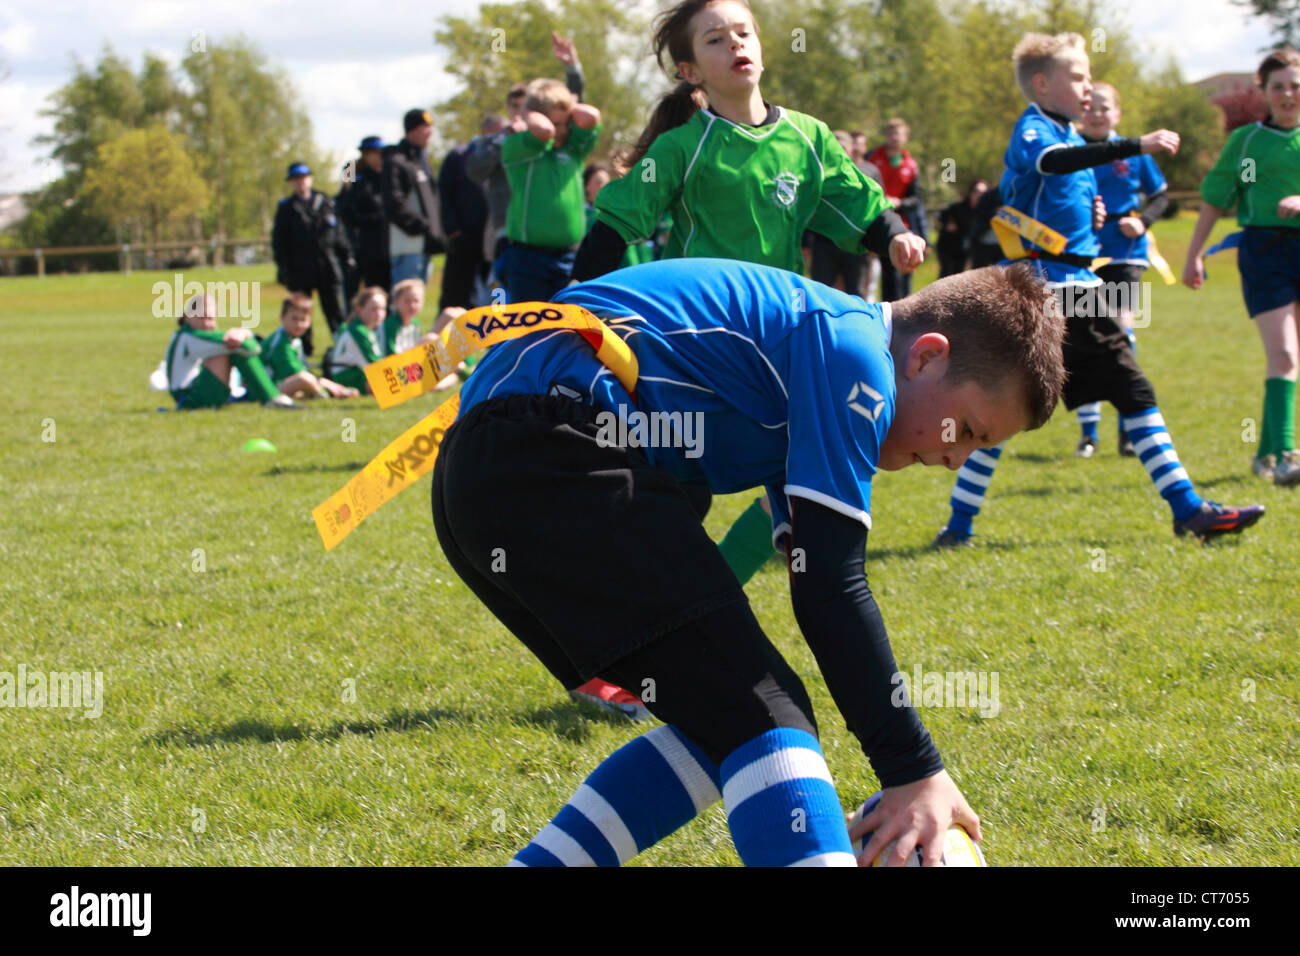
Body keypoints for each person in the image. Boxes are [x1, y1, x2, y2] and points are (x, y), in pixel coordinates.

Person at [432, 257, 1066, 866]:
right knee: (765, 708)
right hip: (548, 449)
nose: (958, 459)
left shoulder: (820, 351)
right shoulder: (854, 356)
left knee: (720, 716)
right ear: (927, 356)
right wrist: (913, 770)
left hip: (487, 474)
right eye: (969, 430)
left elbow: (812, 576)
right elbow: (831, 589)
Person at [932, 31, 1264, 548]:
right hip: (1050, 291)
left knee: (1010, 408)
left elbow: (1056, 193)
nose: (1088, 86)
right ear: (1041, 83)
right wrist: (1137, 143)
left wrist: (1091, 218)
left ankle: (957, 527)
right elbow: (1052, 165)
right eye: (1078, 76)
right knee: (1129, 389)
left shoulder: (1067, 135)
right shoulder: (1037, 130)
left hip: (1065, 285)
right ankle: (1189, 511)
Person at [1185, 48, 1300, 487]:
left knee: (1292, 360)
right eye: (1278, 87)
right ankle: (1288, 455)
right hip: (1264, 251)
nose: (1288, 94)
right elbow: (1217, 197)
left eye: (1295, 85)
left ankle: (1266, 452)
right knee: (1284, 353)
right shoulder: (1247, 143)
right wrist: (1194, 252)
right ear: (1264, 92)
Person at [1071, 82, 1169, 460]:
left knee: (1121, 331)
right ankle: (1088, 434)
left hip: (1126, 252)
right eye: (1090, 107)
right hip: (1080, 252)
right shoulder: (1071, 151)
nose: (1097, 113)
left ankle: (1130, 430)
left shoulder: (1134, 151)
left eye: (1104, 107)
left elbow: (1160, 194)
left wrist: (1143, 221)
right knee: (1083, 337)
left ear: (1118, 113)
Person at [465, 33, 587, 278]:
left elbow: (570, 110)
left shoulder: (557, 140)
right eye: (514, 105)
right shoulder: (503, 140)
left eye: (524, 105)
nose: (520, 111)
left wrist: (571, 69)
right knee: (502, 302)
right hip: (509, 233)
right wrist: (507, 138)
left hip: (556, 243)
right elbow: (474, 171)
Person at [495, 79, 602, 302]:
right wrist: (530, 112)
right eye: (556, 124)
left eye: (566, 123)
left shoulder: (574, 149)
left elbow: (591, 116)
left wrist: (568, 106)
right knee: (532, 332)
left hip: (570, 256)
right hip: (527, 258)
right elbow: (543, 131)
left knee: (569, 329)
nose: (562, 131)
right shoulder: (518, 147)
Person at [163, 292, 299, 410]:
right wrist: (243, 333)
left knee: (230, 346)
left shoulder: (184, 334)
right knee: (232, 348)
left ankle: (270, 396)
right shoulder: (190, 337)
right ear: (188, 316)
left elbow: (252, 346)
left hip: (190, 393)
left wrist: (242, 332)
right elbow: (251, 348)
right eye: (200, 317)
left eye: (210, 318)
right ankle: (271, 398)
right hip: (188, 399)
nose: (205, 323)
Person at [271, 162, 353, 357]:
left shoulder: (325, 202)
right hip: (300, 268)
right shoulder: (287, 208)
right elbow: (279, 241)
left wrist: (347, 254)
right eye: (296, 180)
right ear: (292, 183)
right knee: (301, 310)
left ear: (310, 179)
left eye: (303, 178)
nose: (301, 183)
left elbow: (338, 232)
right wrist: (283, 268)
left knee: (334, 310)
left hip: (326, 265)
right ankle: (303, 349)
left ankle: (343, 346)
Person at [866, 118, 927, 300]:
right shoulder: (872, 158)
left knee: (904, 273)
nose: (894, 137)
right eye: (890, 133)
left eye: (898, 133)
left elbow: (916, 199)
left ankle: (905, 314)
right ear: (885, 136)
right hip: (875, 222)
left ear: (905, 137)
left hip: (902, 225)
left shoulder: (911, 164)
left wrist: (899, 203)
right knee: (880, 277)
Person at [384, 109, 445, 288]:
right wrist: (423, 226)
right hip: (408, 247)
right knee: (404, 305)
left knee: (414, 306)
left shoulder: (420, 161)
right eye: (425, 127)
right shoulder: (397, 161)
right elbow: (394, 203)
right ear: (412, 130)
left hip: (423, 247)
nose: (430, 131)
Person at [438, 121, 493, 310]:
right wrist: (452, 229)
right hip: (463, 236)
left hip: (489, 238)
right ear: (487, 131)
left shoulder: (502, 154)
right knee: (456, 291)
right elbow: (444, 193)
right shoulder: (458, 155)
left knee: (493, 292)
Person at [263, 294, 359, 399]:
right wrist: (320, 383)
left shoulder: (294, 340)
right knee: (305, 379)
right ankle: (326, 393)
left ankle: (334, 390)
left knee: (313, 379)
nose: (298, 324)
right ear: (282, 318)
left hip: (281, 383)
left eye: (303, 320)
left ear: (309, 322)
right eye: (294, 319)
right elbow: (292, 371)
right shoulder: (280, 342)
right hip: (267, 388)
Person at [337, 136, 389, 302]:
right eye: (373, 153)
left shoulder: (389, 176)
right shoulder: (355, 175)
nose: (378, 157)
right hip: (361, 244)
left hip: (385, 246)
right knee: (357, 292)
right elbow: (344, 209)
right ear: (365, 155)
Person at [326, 287, 386, 394]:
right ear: (359, 309)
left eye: (382, 309)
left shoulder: (367, 328)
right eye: (373, 309)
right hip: (347, 376)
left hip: (357, 372)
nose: (378, 313)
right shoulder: (359, 331)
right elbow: (373, 363)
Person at [936, 179, 989, 278]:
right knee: (946, 274)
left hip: (963, 248)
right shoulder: (959, 206)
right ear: (971, 192)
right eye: (976, 191)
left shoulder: (982, 211)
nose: (979, 195)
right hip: (947, 246)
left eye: (983, 193)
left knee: (958, 276)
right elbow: (942, 216)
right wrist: (947, 224)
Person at [381, 278, 425, 357]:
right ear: (396, 302)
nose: (412, 306)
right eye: (407, 301)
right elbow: (391, 355)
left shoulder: (415, 323)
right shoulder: (391, 325)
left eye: (416, 301)